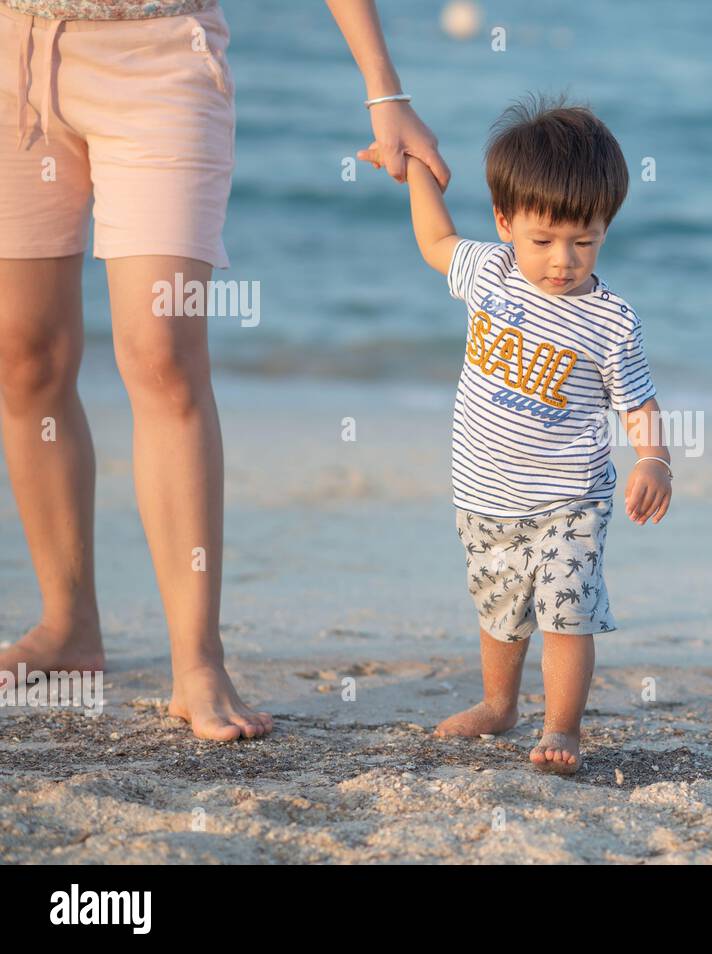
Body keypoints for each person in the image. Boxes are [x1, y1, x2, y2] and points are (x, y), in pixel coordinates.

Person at [0, 0, 449, 740]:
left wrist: (384, 89)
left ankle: (196, 659)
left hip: (159, 57)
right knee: (24, 358)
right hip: (12, 51)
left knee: (163, 355)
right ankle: (68, 626)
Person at [359, 93, 672, 774]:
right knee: (500, 609)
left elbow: (638, 401)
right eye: (544, 240)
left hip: (571, 500)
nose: (563, 259)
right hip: (484, 493)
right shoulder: (491, 273)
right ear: (505, 221)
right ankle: (499, 706)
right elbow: (434, 240)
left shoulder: (612, 320)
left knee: (566, 610)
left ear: (605, 229)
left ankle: (562, 728)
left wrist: (653, 458)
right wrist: (412, 163)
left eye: (584, 241)